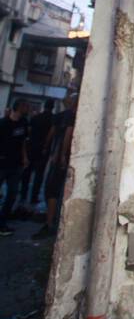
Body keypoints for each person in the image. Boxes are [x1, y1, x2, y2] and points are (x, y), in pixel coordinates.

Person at [34, 92, 77, 240]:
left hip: (57, 158)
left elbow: (54, 135)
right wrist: (62, 155)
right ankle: (53, 222)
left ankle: (51, 221)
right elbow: (64, 135)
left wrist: (51, 151)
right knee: (55, 190)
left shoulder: (63, 116)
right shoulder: (70, 116)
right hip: (60, 159)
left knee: (52, 190)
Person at [0, 100, 30, 236]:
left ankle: (2, 223)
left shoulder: (23, 123)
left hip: (16, 164)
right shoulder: (3, 123)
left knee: (12, 194)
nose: (28, 108)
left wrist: (24, 157)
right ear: (18, 107)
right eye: (25, 106)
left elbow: (23, 141)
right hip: (2, 163)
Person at [19, 97, 55, 211]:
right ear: (52, 107)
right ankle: (33, 198)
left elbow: (29, 132)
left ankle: (23, 196)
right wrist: (45, 146)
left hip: (31, 148)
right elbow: (51, 134)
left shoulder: (35, 117)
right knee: (39, 175)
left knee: (27, 173)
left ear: (44, 106)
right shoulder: (52, 119)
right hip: (43, 151)